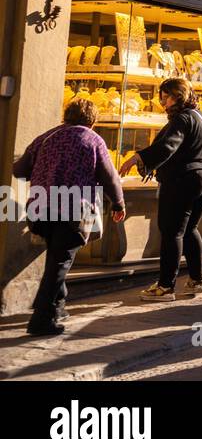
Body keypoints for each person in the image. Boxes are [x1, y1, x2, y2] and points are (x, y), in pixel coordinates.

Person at [17, 99, 126, 335]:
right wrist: (118, 203)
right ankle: (41, 319)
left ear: (66, 116)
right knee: (59, 263)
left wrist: (44, 170)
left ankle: (57, 306)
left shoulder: (46, 137)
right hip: (74, 210)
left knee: (57, 259)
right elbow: (109, 177)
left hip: (41, 209)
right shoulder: (93, 139)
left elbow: (19, 169)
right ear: (93, 121)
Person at [118, 78, 202, 302]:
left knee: (171, 230)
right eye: (161, 97)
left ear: (178, 96)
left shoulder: (181, 119)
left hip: (185, 179)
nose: (162, 101)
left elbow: (168, 145)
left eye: (166, 96)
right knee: (190, 228)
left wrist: (139, 156)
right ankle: (196, 280)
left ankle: (165, 287)